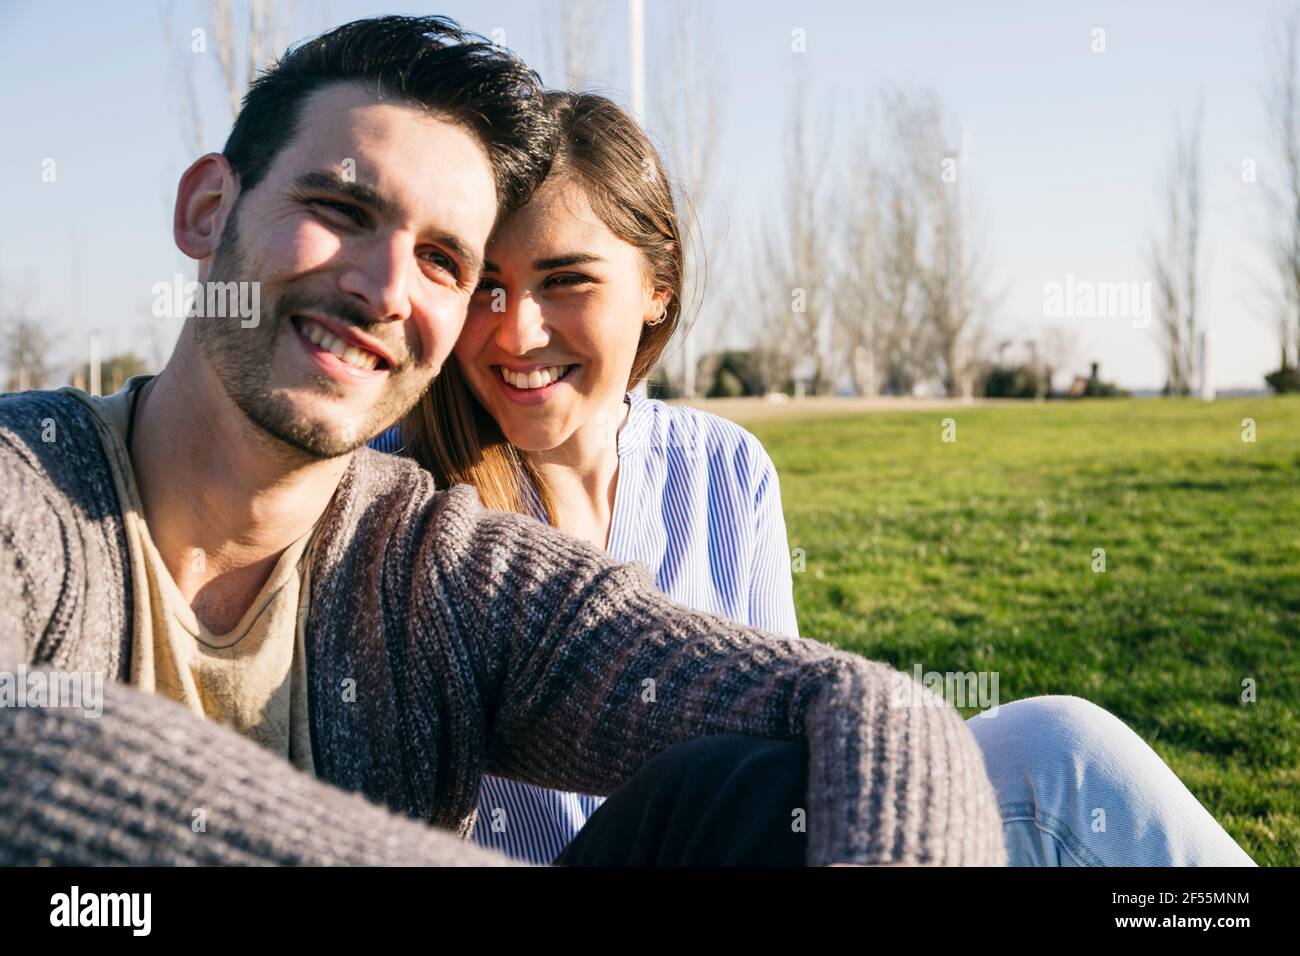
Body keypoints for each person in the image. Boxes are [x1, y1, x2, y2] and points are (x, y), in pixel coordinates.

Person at [0, 15, 1006, 867]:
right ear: (208, 209)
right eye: (340, 208)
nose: (386, 289)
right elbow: (24, 740)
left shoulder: (433, 567)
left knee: (753, 787)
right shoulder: (26, 491)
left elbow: (857, 703)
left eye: (443, 260)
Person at [387, 89, 1256, 868]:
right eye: (487, 287)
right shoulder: (400, 490)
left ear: (658, 286)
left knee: (1058, 751)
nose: (513, 331)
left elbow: (787, 743)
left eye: (565, 279)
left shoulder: (724, 469)